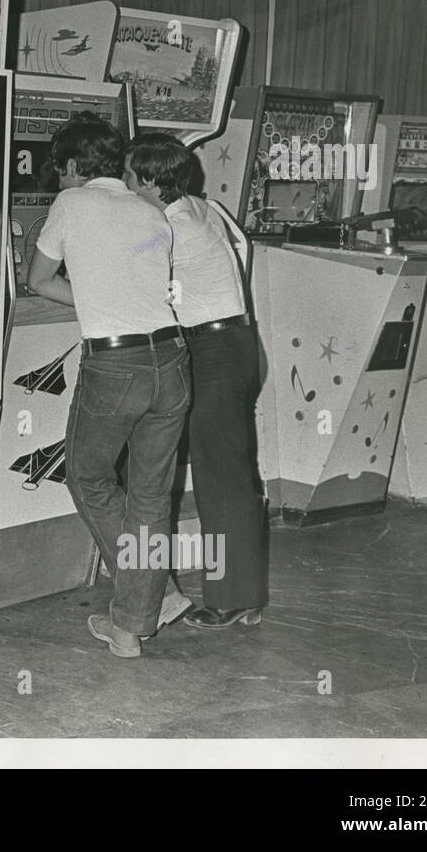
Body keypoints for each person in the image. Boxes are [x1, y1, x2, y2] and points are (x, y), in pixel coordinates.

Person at [27, 116, 192, 658]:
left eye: (59, 170)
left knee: (88, 476)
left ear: (73, 167)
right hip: (171, 360)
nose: (58, 179)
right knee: (150, 494)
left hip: (115, 366)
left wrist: (95, 300)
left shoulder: (71, 204)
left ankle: (143, 604)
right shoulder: (152, 210)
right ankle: (141, 610)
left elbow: (37, 280)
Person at [123, 133, 268, 629]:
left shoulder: (163, 226)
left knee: (218, 478)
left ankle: (230, 599)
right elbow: (242, 247)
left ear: (146, 180)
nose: (122, 182)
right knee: (231, 471)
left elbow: (136, 279)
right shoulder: (206, 208)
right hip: (239, 342)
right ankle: (244, 593)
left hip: (213, 353)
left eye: (126, 175)